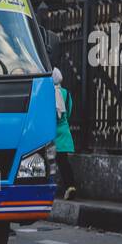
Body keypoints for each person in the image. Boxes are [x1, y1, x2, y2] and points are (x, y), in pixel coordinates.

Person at [53, 67, 77, 199]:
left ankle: (50, 187)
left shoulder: (47, 93)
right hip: (63, 132)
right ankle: (70, 186)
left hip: (50, 132)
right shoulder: (66, 93)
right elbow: (69, 110)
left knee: (46, 162)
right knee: (63, 162)